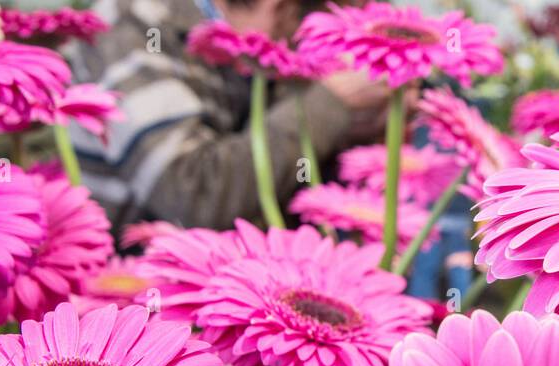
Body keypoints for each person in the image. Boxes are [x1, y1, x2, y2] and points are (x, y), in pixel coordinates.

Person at [67, 0, 390, 231]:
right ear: (280, 8)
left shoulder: (241, 40)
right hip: (133, 293)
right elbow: (190, 194)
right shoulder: (133, 23)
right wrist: (328, 105)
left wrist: (355, 130)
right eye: (321, 35)